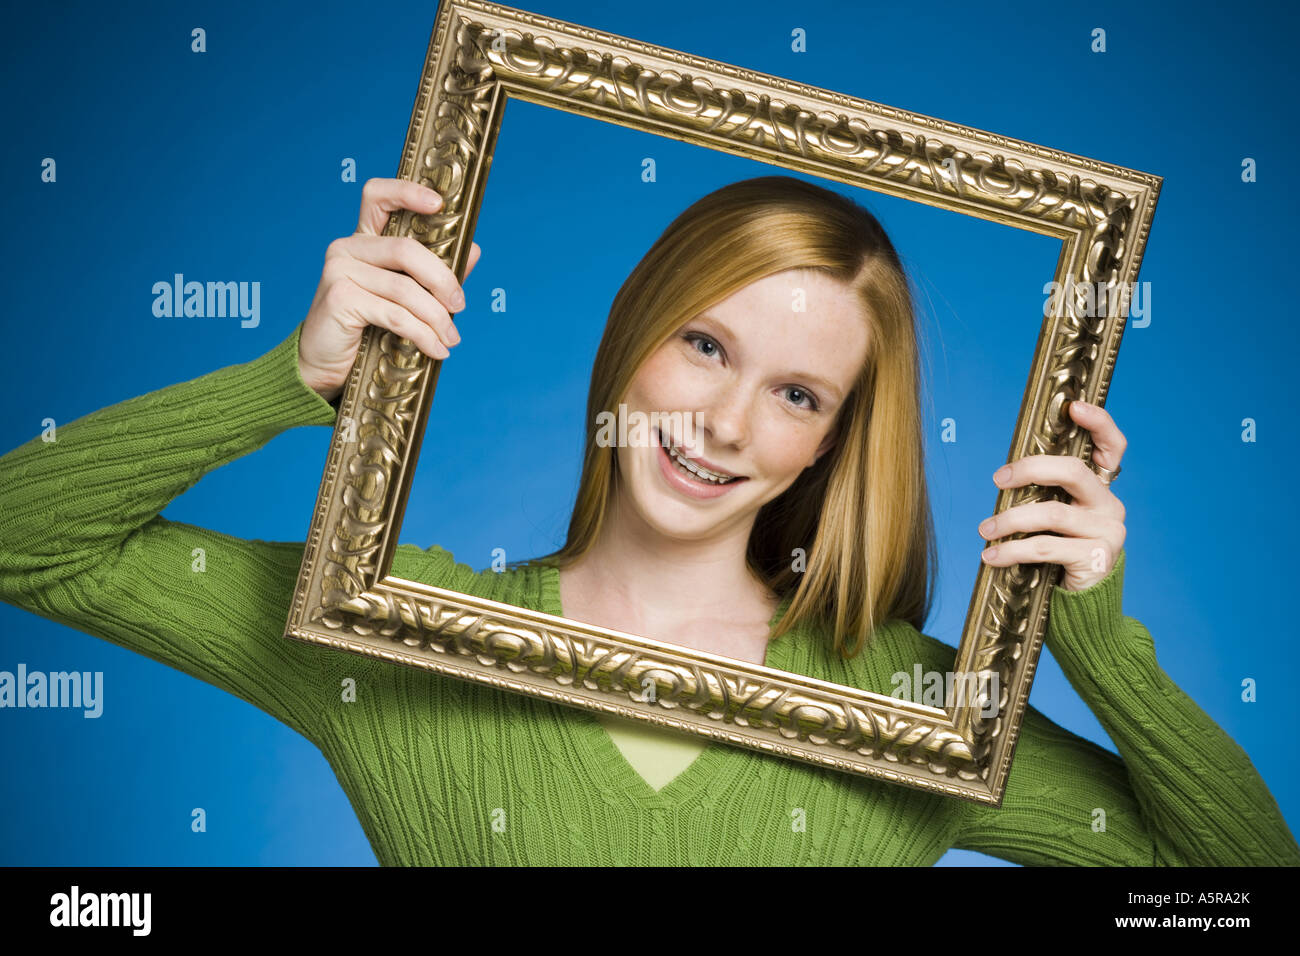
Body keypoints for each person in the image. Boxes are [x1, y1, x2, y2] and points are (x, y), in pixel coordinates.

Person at [1, 175, 1296, 866]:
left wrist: (1099, 644)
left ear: (831, 444)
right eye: (704, 345)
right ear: (634, 340)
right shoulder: (393, 631)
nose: (725, 423)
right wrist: (291, 380)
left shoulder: (907, 707)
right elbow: (25, 539)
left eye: (796, 394)